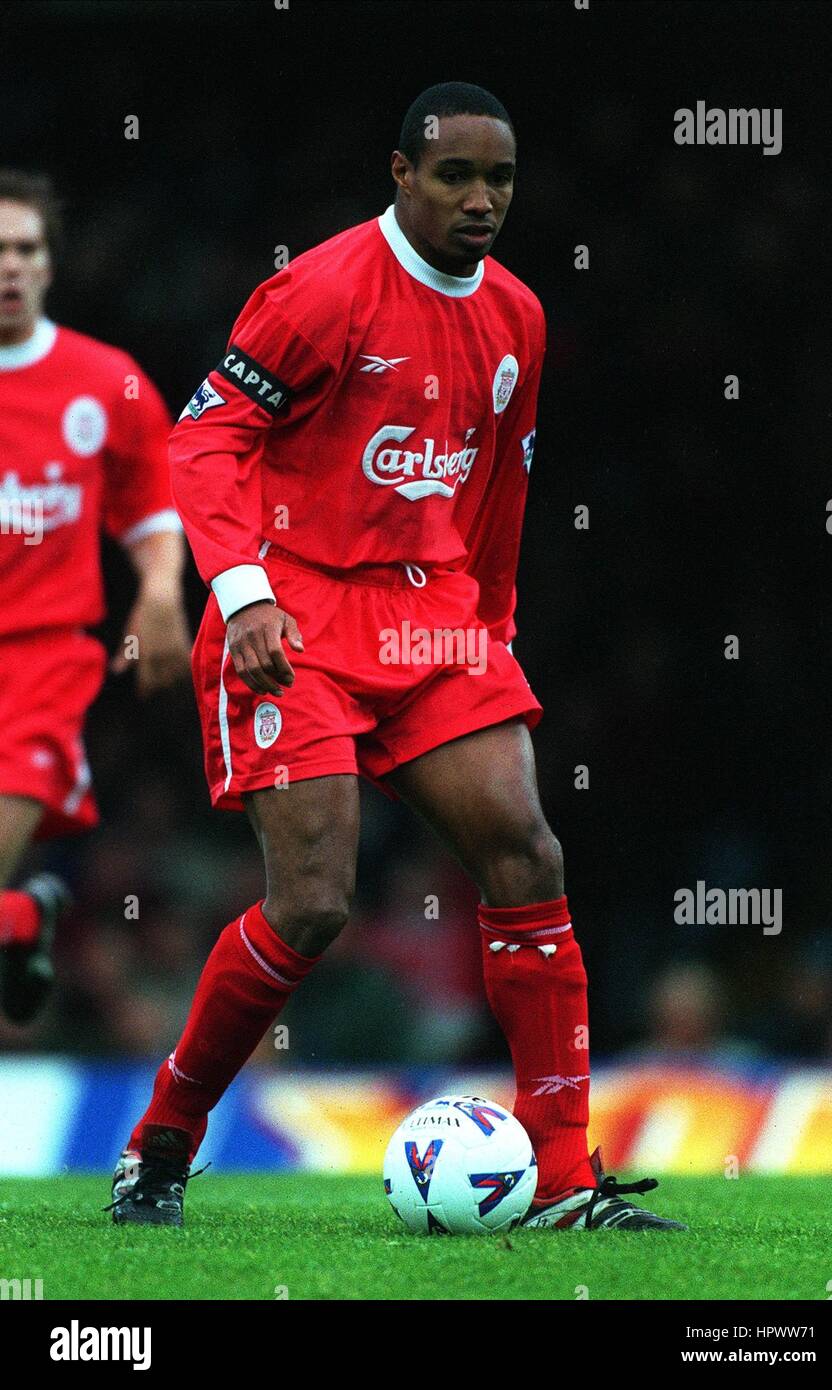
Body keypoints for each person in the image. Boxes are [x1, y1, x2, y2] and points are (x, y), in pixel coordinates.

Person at [110, 84, 685, 1232]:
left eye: (501, 180)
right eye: (456, 176)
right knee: (313, 903)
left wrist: (492, 627)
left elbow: (499, 487)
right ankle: (161, 1141)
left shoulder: (515, 316)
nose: (481, 201)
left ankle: (565, 1177)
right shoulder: (317, 291)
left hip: (431, 621)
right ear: (400, 174)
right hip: (292, 615)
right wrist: (244, 593)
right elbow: (206, 438)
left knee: (526, 851)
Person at [0, 169, 190, 1024]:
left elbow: (153, 504)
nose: (9, 266)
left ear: (50, 263)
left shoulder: (103, 381)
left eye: (26, 249)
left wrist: (158, 588)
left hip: (42, 661)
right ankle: (19, 916)